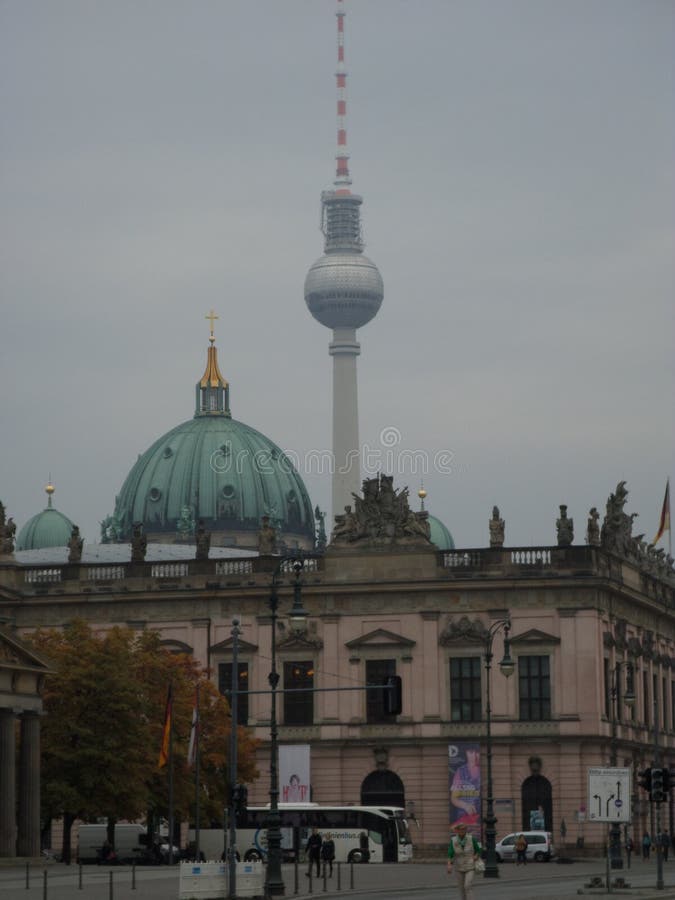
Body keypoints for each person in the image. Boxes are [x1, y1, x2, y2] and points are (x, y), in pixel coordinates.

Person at [447, 822, 481, 900]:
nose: (463, 831)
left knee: (467, 885)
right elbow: (450, 853)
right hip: (459, 867)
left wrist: (476, 856)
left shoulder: (471, 838)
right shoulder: (453, 840)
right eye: (461, 829)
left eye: (464, 829)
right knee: (461, 888)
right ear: (457, 830)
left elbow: (478, 850)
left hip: (470, 866)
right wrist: (449, 865)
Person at [450, 747, 481, 827]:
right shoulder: (460, 771)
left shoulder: (482, 771)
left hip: (479, 820)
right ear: (466, 753)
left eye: (477, 752)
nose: (474, 756)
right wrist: (465, 806)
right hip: (463, 820)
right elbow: (454, 798)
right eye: (471, 752)